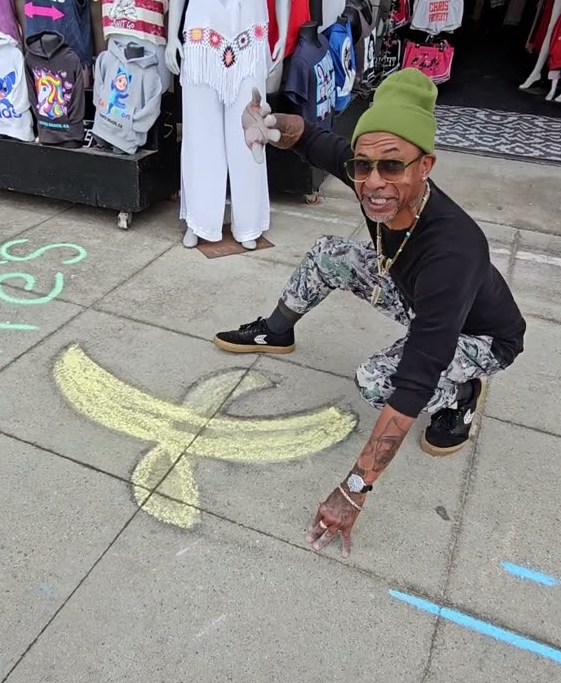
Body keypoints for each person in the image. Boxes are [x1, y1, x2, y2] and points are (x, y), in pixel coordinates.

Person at [216, 67, 526, 558]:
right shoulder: (368, 168)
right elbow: (311, 138)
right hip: (412, 291)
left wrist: (353, 489)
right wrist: (272, 126)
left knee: (377, 380)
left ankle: (464, 391)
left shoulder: (453, 250)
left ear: (426, 165)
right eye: (364, 167)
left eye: (392, 167)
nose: (374, 183)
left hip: (479, 335)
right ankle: (276, 331)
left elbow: (416, 376)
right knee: (330, 253)